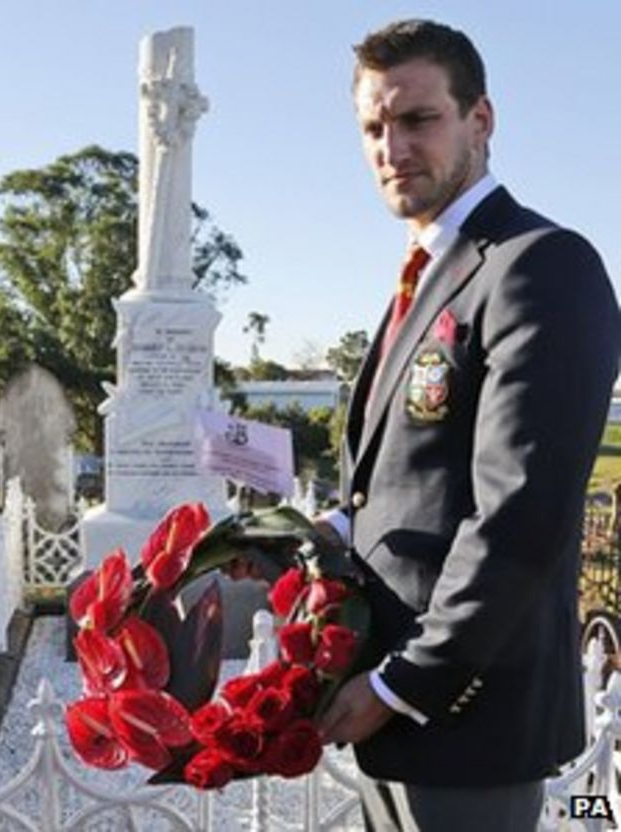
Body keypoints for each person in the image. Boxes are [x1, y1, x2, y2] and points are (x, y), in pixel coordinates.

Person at [230, 18, 620, 832]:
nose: (391, 147)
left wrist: (404, 681)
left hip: (466, 714)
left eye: (417, 120)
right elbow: (400, 489)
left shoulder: (539, 264)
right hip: (392, 711)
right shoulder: (426, 275)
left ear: (481, 120)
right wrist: (291, 542)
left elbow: (521, 513)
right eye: (373, 127)